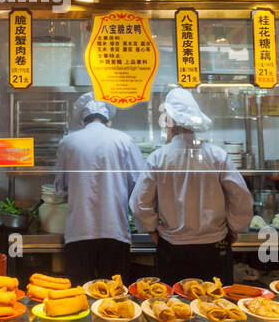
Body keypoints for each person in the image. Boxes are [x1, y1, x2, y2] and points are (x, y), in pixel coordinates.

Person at [130, 88, 253, 282]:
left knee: (175, 307)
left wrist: (151, 230)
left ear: (169, 124)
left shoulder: (158, 158)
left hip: (173, 247)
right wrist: (236, 227)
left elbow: (140, 202)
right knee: (215, 305)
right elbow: (241, 196)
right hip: (214, 246)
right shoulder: (217, 155)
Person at [54, 93, 145, 283]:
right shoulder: (124, 140)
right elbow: (139, 186)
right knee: (114, 298)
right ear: (108, 120)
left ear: (82, 120)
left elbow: (60, 189)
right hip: (115, 231)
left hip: (79, 231)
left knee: (79, 297)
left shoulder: (68, 142)